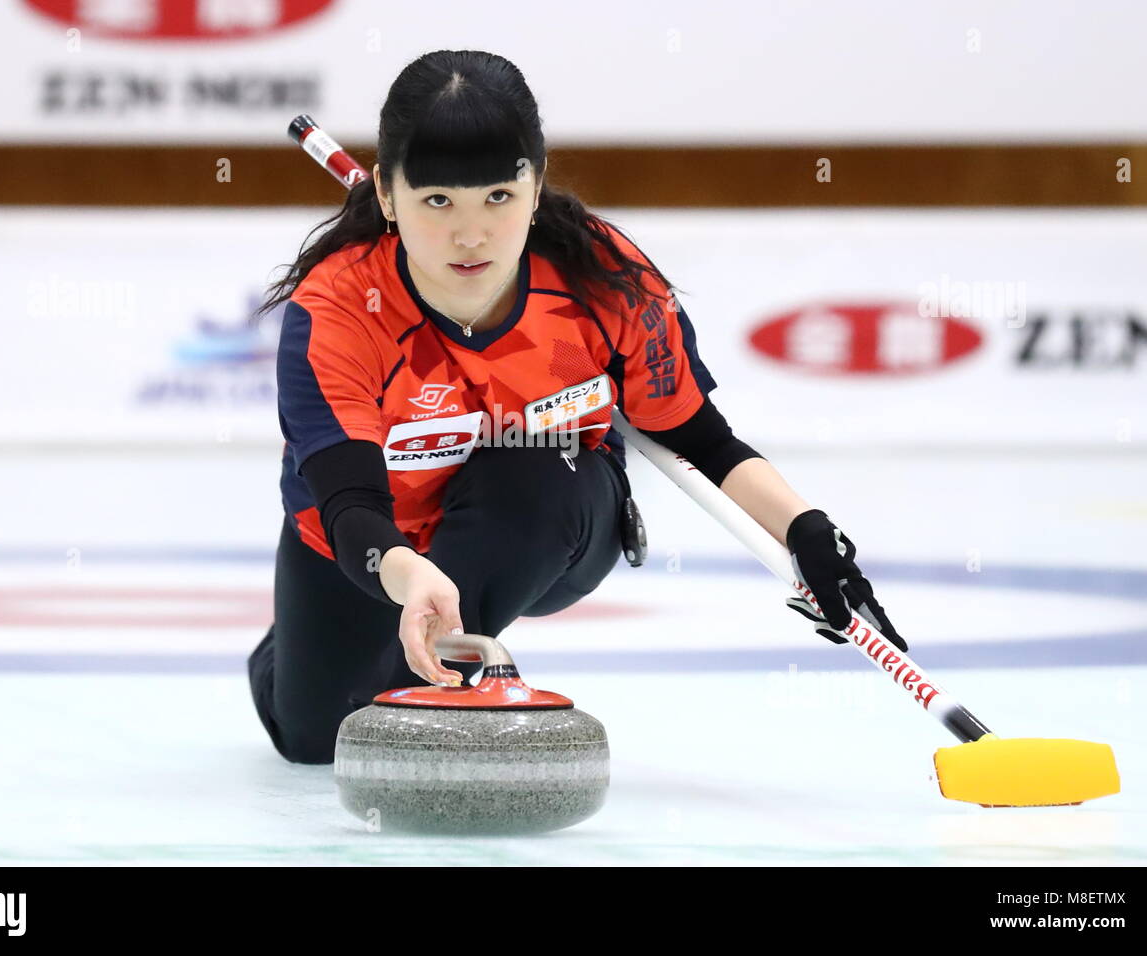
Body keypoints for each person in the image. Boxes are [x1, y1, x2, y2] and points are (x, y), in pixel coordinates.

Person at [247, 50, 905, 765]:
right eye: (438, 201)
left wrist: (807, 531)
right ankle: (313, 655)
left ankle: (427, 683)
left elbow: (704, 441)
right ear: (386, 194)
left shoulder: (607, 283)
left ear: (537, 186)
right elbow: (350, 507)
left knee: (393, 715)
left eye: (498, 196)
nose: (471, 235)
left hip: (544, 515)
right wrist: (408, 574)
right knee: (319, 742)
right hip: (372, 542)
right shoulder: (341, 309)